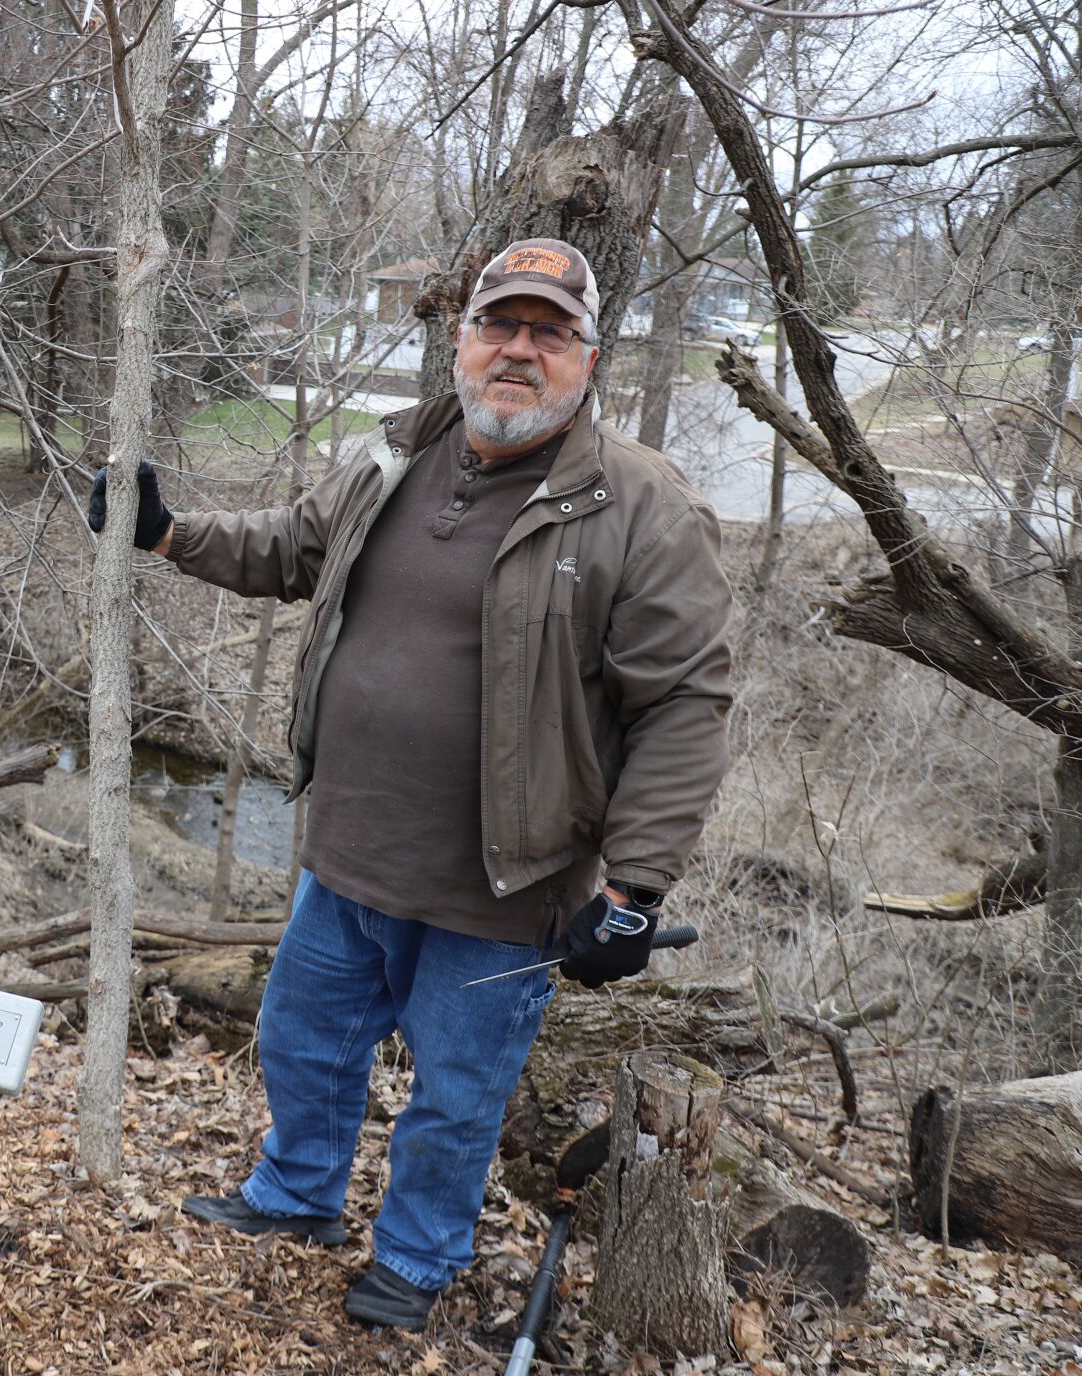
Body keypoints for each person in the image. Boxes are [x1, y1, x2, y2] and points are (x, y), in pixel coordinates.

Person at [87, 237, 732, 1332]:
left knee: (455, 1095)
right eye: (499, 325)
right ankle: (295, 1195)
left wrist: (634, 890)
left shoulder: (640, 504)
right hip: (347, 849)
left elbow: (681, 705)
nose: (518, 351)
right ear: (461, 340)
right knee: (302, 1040)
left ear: (588, 357)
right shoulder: (396, 453)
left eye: (548, 333)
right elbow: (292, 548)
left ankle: (417, 1256)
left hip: (504, 885)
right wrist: (165, 533)